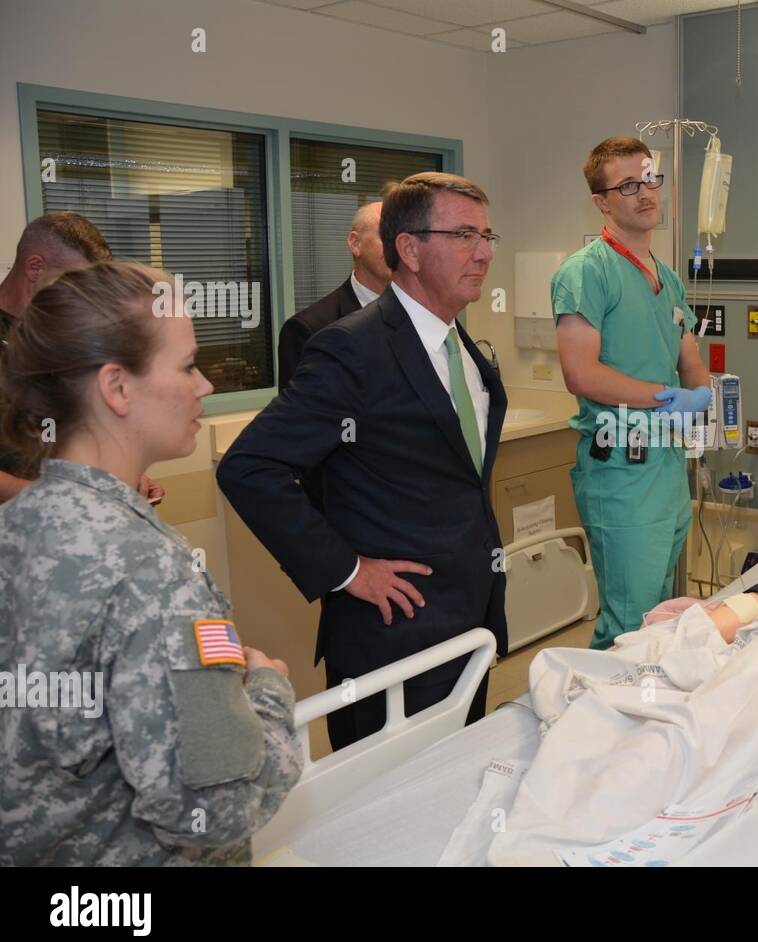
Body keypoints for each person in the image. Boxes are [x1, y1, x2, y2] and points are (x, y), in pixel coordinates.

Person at [0, 260, 302, 865]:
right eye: (188, 365)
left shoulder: (19, 525)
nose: (206, 386)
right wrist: (269, 693)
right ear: (117, 388)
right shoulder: (153, 576)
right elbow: (213, 812)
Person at [217, 172, 508, 751]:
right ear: (409, 248)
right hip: (393, 635)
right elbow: (248, 467)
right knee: (384, 816)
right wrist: (345, 570)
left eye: (487, 235)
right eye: (464, 234)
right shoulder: (352, 348)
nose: (484, 252)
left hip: (468, 622)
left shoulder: (463, 351)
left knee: (451, 790)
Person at [554, 136, 711, 650]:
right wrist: (667, 398)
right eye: (627, 185)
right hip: (620, 469)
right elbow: (582, 374)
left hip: (665, 468)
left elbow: (690, 359)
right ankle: (609, 723)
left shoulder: (667, 278)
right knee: (629, 625)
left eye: (649, 178)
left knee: (662, 617)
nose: (645, 193)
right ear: (601, 201)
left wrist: (703, 393)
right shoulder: (586, 273)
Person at [0, 212, 113, 503]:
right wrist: (45, 496)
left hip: (60, 521)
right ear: (35, 267)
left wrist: (116, 478)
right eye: (74, 282)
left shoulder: (63, 334)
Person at [277, 201, 389, 391]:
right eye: (387, 236)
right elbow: (302, 417)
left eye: (404, 239)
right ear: (355, 243)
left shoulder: (423, 314)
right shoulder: (310, 329)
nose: (399, 248)